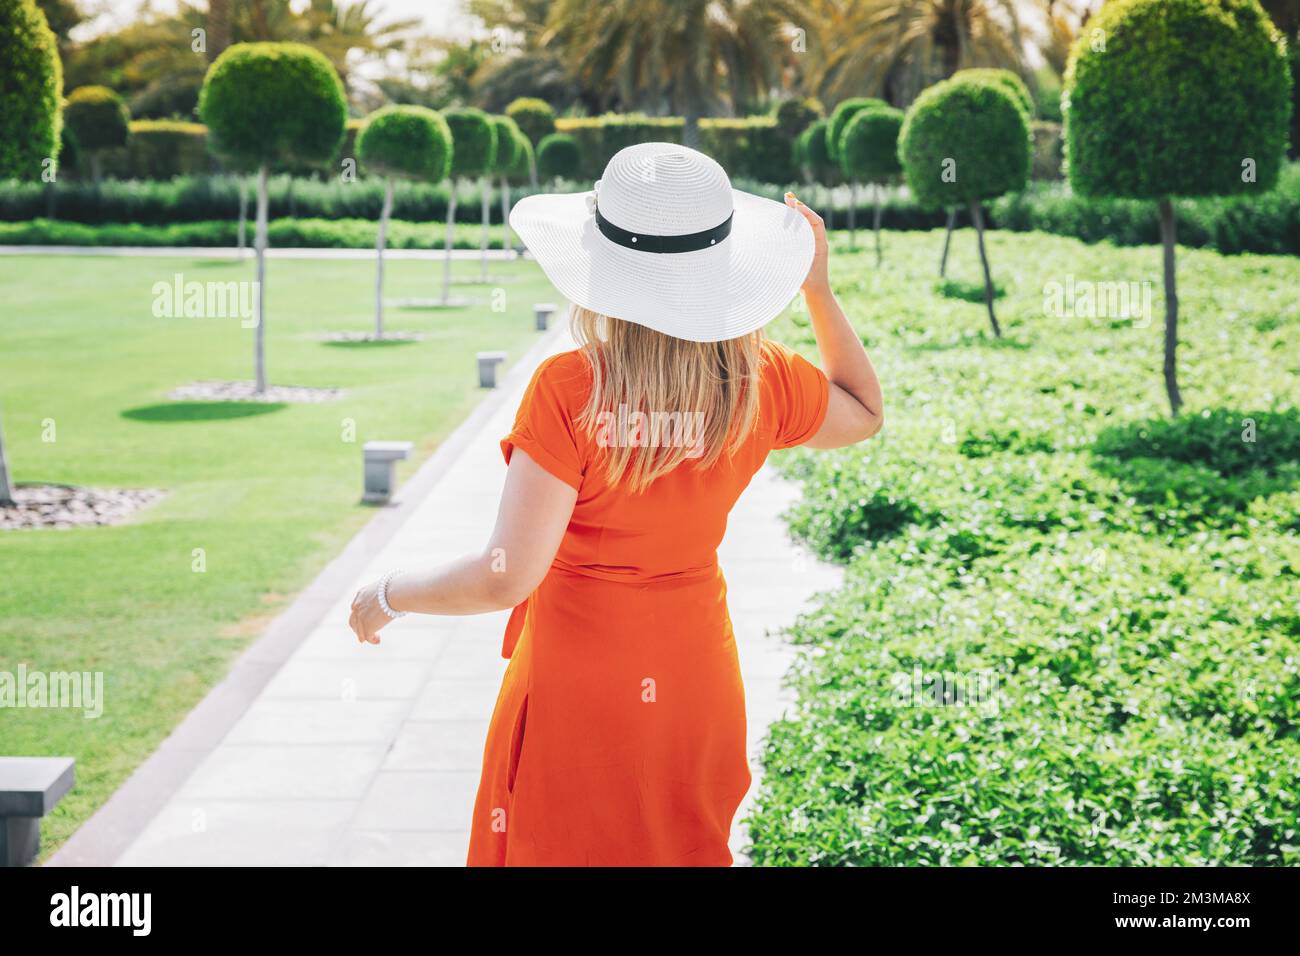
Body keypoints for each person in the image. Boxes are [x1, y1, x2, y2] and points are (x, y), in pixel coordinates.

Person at [348, 143, 883, 866]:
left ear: (603, 265)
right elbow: (862, 410)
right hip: (694, 672)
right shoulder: (761, 380)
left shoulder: (569, 391)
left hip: (579, 682)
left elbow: (507, 575)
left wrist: (389, 593)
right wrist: (817, 289)